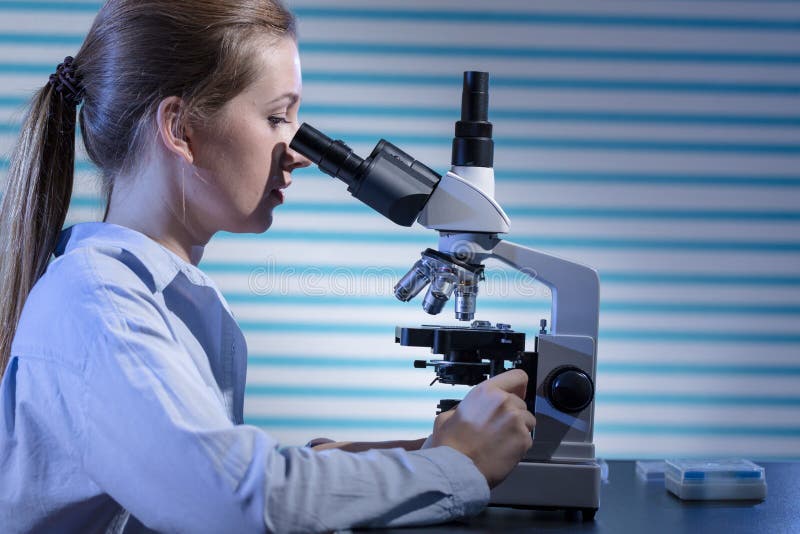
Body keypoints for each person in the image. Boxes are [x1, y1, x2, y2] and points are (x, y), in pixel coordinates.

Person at [0, 1, 536, 532]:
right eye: (277, 116)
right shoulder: (100, 306)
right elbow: (231, 501)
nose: (298, 152)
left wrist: (429, 448)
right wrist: (453, 466)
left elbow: (217, 464)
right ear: (181, 129)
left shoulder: (159, 296)